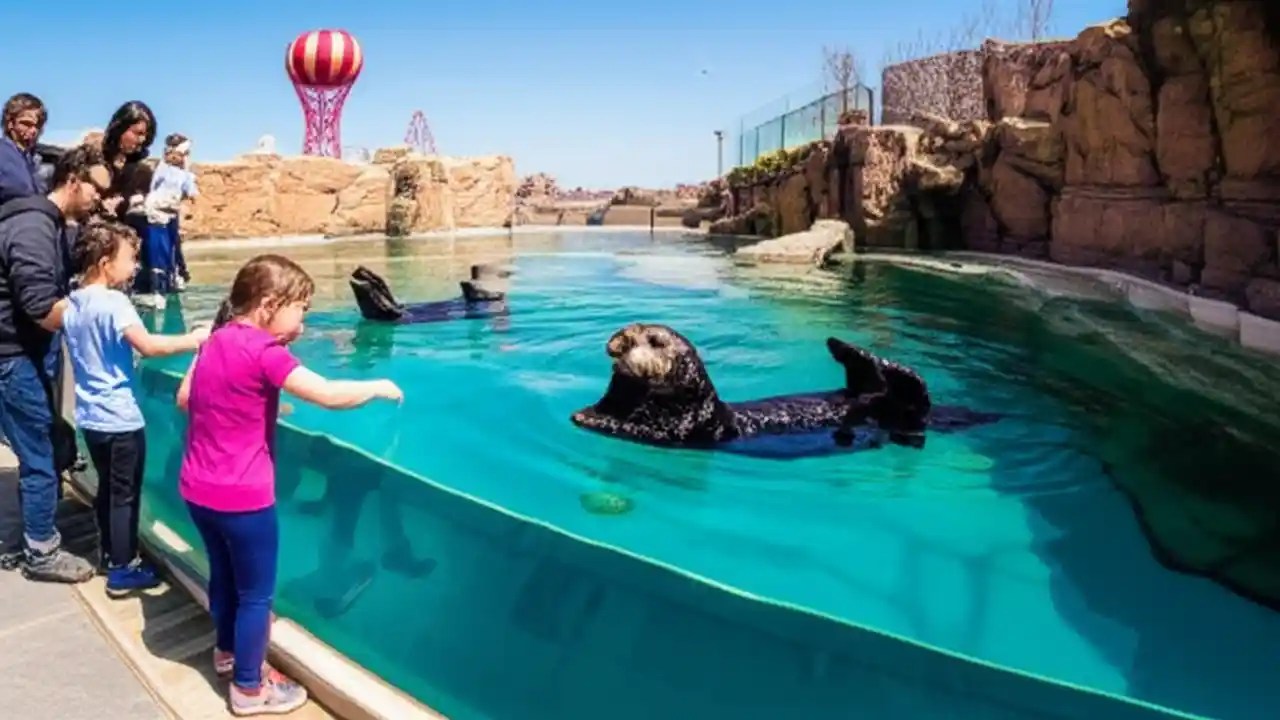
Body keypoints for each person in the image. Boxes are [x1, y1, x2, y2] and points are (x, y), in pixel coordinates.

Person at [176, 254, 402, 715]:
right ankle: (249, 689)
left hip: (198, 489)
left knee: (223, 576)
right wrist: (376, 385)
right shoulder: (266, 354)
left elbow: (188, 399)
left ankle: (225, 654)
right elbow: (328, 395)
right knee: (257, 595)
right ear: (268, 304)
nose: (303, 319)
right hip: (243, 498)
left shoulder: (214, 340)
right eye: (300, 308)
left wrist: (256, 406)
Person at [61, 219, 209, 595]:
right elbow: (149, 346)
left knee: (108, 488)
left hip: (90, 417)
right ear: (104, 262)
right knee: (125, 493)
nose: (135, 267)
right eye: (130, 259)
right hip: (120, 418)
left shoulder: (73, 301)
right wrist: (195, 339)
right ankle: (123, 570)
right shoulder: (114, 301)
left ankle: (110, 553)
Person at [0, 143, 110, 581]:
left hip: (23, 355)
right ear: (73, 180)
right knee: (41, 455)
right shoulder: (31, 228)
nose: (101, 198)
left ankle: (33, 531)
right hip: (13, 358)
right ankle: (40, 552)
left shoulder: (45, 224)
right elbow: (40, 306)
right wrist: (102, 311)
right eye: (97, 189)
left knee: (54, 442)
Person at [99, 101, 157, 297]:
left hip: (127, 249)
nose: (141, 140)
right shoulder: (97, 162)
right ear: (120, 128)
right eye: (137, 133)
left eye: (145, 135)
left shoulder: (142, 171)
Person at [148, 133, 197, 291]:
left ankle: (174, 276)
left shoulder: (184, 173)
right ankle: (159, 281)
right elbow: (154, 186)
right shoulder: (163, 168)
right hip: (157, 211)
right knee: (160, 247)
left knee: (173, 247)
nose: (184, 157)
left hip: (171, 212)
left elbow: (190, 190)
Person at [0, 93, 47, 208]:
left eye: (38, 125)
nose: (33, 130)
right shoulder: (3, 154)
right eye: (26, 124)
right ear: (10, 123)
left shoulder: (33, 160)